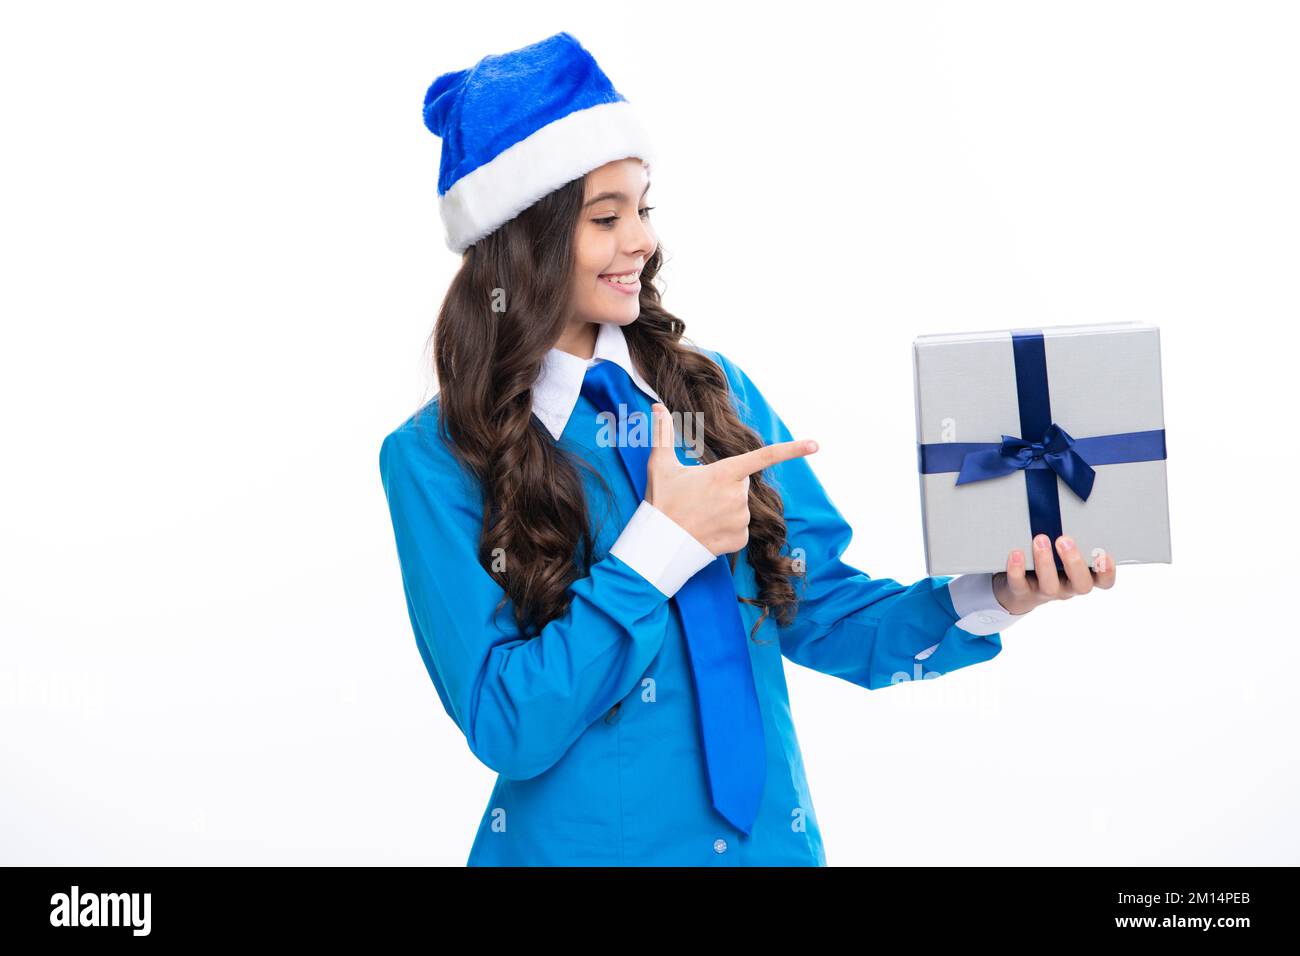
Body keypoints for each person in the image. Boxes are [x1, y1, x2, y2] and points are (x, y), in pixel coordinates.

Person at [379, 31, 1117, 866]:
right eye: (605, 218)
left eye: (643, 209)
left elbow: (823, 612)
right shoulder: (435, 457)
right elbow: (509, 723)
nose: (642, 243)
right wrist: (657, 549)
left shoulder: (712, 391)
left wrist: (991, 594)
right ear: (525, 242)